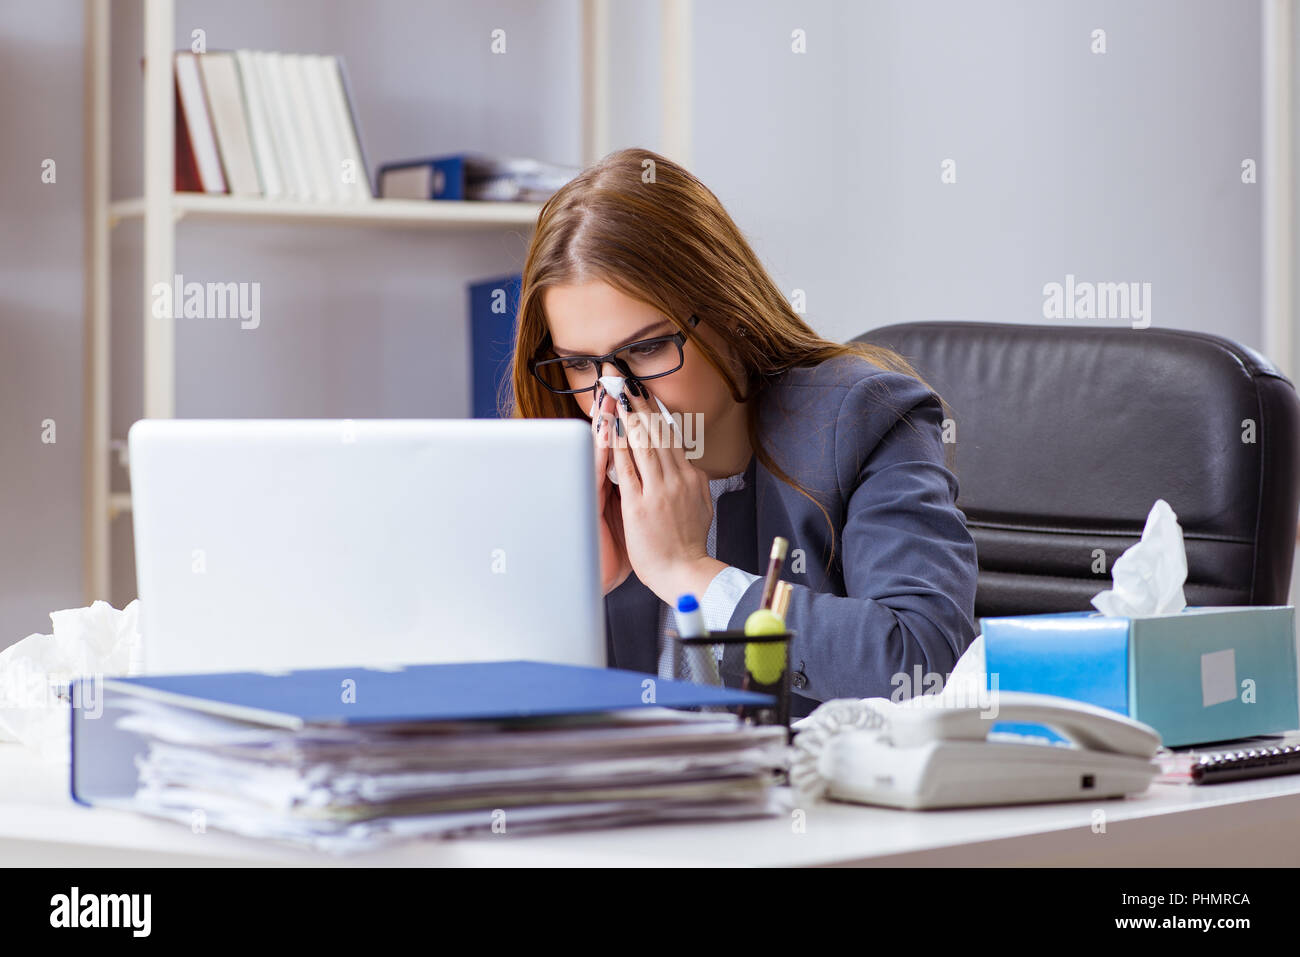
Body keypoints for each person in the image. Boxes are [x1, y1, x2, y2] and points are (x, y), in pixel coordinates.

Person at [508, 148, 978, 719]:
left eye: (648, 347)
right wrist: (573, 587)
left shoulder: (863, 419)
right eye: (581, 364)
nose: (614, 397)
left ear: (731, 315)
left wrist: (690, 571)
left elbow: (922, 662)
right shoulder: (560, 456)